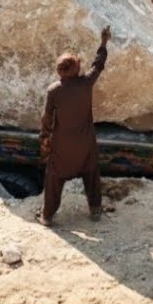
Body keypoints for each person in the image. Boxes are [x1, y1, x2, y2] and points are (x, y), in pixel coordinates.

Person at [40, 26, 112, 225]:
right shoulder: (86, 83)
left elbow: (47, 119)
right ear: (77, 69)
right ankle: (95, 210)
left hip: (62, 145)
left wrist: (44, 138)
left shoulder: (54, 90)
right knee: (91, 174)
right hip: (85, 142)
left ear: (60, 71)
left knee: (54, 179)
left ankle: (47, 216)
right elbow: (98, 65)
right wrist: (104, 42)